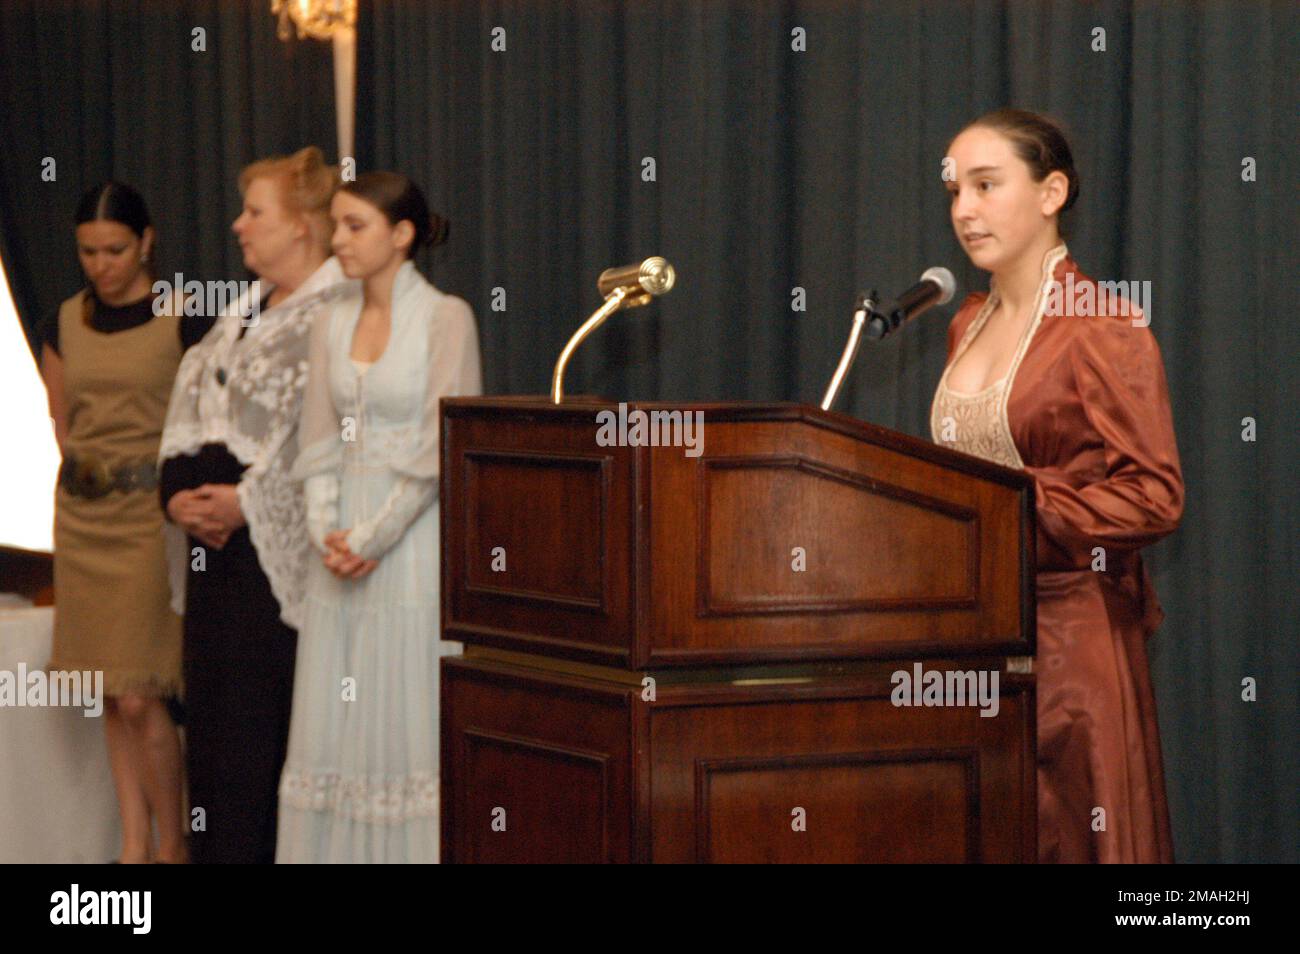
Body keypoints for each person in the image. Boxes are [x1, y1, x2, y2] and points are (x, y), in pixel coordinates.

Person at [931, 108, 1183, 863]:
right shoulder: (966, 322)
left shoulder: (1100, 323)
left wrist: (1013, 504)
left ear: (1051, 193)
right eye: (954, 190)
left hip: (1073, 649)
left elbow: (1154, 495)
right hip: (978, 643)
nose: (964, 209)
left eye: (986, 185)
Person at [276, 171, 481, 863]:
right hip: (340, 551)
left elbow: (440, 446)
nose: (338, 239)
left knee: (403, 712)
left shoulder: (445, 317)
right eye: (335, 224)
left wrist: (373, 537)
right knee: (337, 720)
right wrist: (326, 529)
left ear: (402, 234)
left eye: (354, 225)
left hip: (412, 544)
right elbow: (316, 438)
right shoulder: (330, 321)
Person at [158, 146, 349, 863]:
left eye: (254, 211)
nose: (239, 225)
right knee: (213, 742)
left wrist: (249, 502)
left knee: (262, 743)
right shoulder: (236, 314)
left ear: (301, 224)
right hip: (215, 567)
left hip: (277, 578)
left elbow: (336, 441)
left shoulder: (338, 314)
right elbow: (189, 418)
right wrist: (177, 496)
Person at [40, 181, 210, 864]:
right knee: (110, 692)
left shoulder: (183, 317)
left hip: (150, 521)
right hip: (83, 519)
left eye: (114, 249)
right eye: (88, 252)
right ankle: (132, 846)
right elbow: (63, 422)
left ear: (146, 242)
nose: (100, 265)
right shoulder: (63, 320)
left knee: (142, 694)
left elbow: (205, 424)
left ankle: (174, 846)